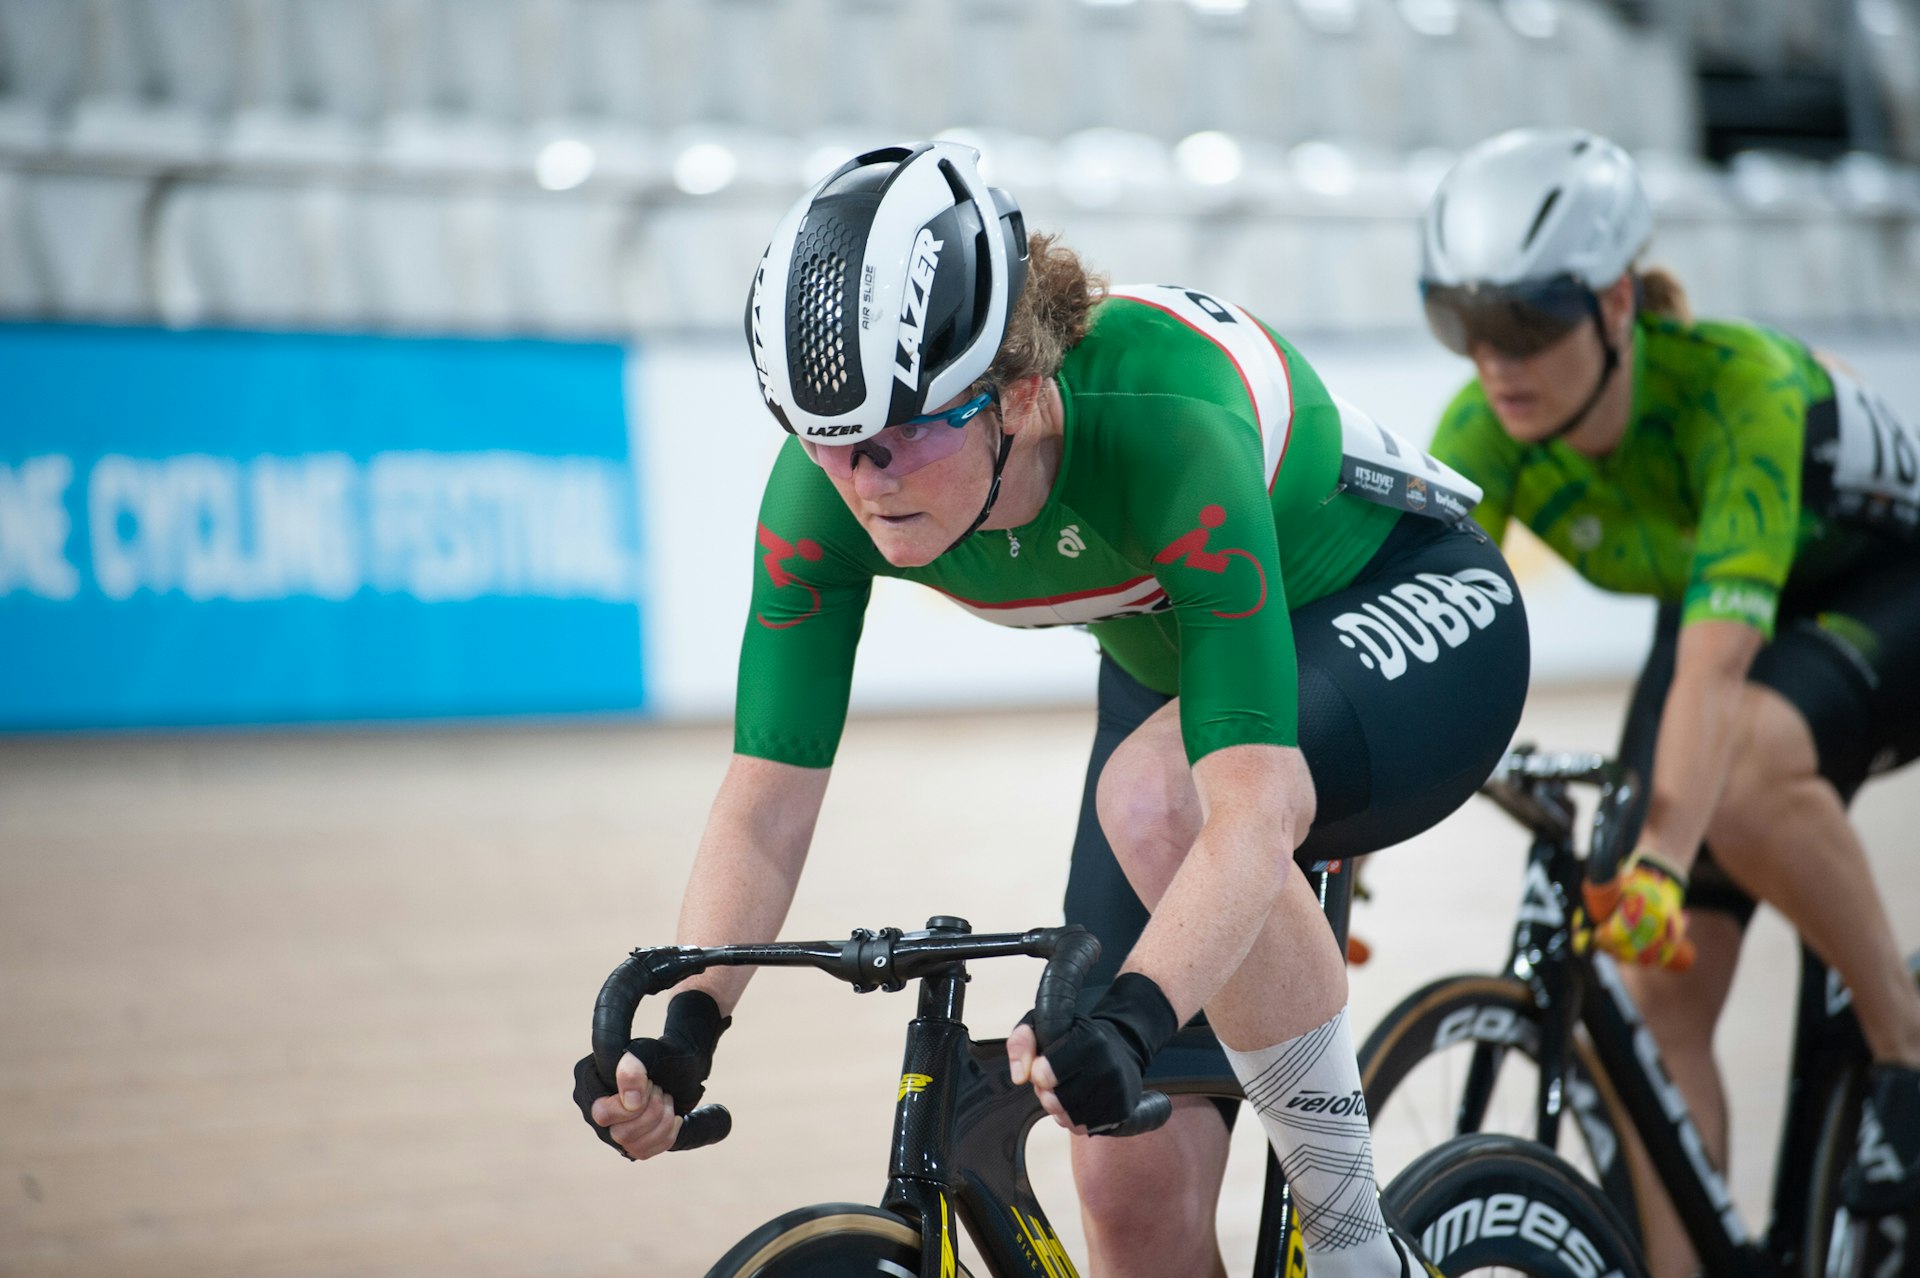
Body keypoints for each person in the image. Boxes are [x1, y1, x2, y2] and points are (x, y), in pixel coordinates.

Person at [573, 141, 1530, 1278]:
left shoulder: (1165, 425)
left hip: (1399, 605)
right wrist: (689, 1029)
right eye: (831, 443)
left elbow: (1250, 807)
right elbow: (765, 801)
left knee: (1161, 796)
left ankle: (1362, 1247)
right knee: (1124, 1188)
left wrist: (1131, 1016)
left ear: (1016, 396)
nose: (865, 480)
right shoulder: (827, 488)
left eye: (900, 436)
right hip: (1190, 659)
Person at [1419, 126, 1920, 1278]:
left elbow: (1716, 668)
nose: (1496, 360)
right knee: (1651, 1006)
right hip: (1713, 623)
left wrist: (1656, 856)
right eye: (1465, 324)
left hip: (1882, 594)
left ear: (1614, 307)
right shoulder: (1482, 430)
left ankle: (1904, 1051)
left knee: (1730, 778)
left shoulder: (1739, 387)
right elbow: (1420, 640)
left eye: (1529, 323)